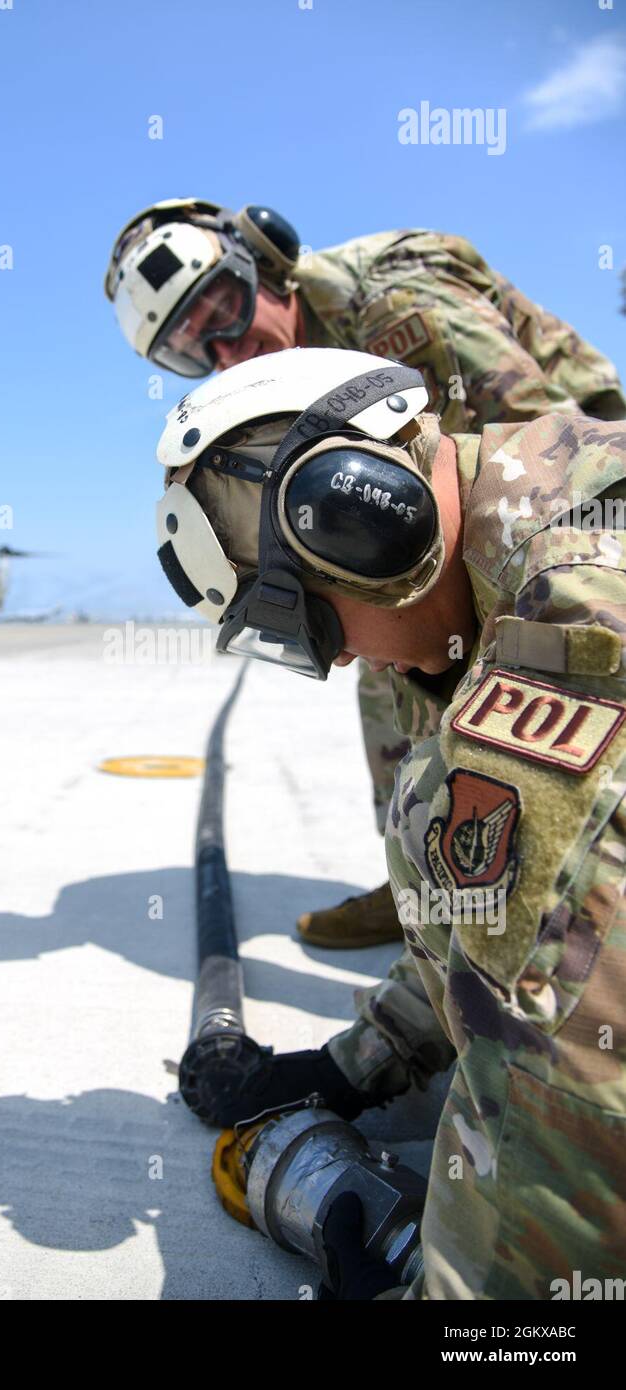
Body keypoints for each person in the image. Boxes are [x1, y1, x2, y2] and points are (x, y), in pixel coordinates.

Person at [149, 346, 626, 1298]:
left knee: (440, 797)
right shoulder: (535, 499)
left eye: (302, 623)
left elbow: (575, 1054)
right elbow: (510, 924)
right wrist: (354, 1067)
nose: (327, 663)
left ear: (364, 516)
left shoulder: (572, 604)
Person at [106, 199, 626, 949]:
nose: (227, 347)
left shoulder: (390, 306)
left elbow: (542, 438)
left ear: (265, 258)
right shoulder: (279, 384)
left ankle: (516, 854)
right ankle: (437, 862)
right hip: (468, 502)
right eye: (194, 351)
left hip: (575, 502)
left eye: (221, 306)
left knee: (444, 626)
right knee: (374, 639)